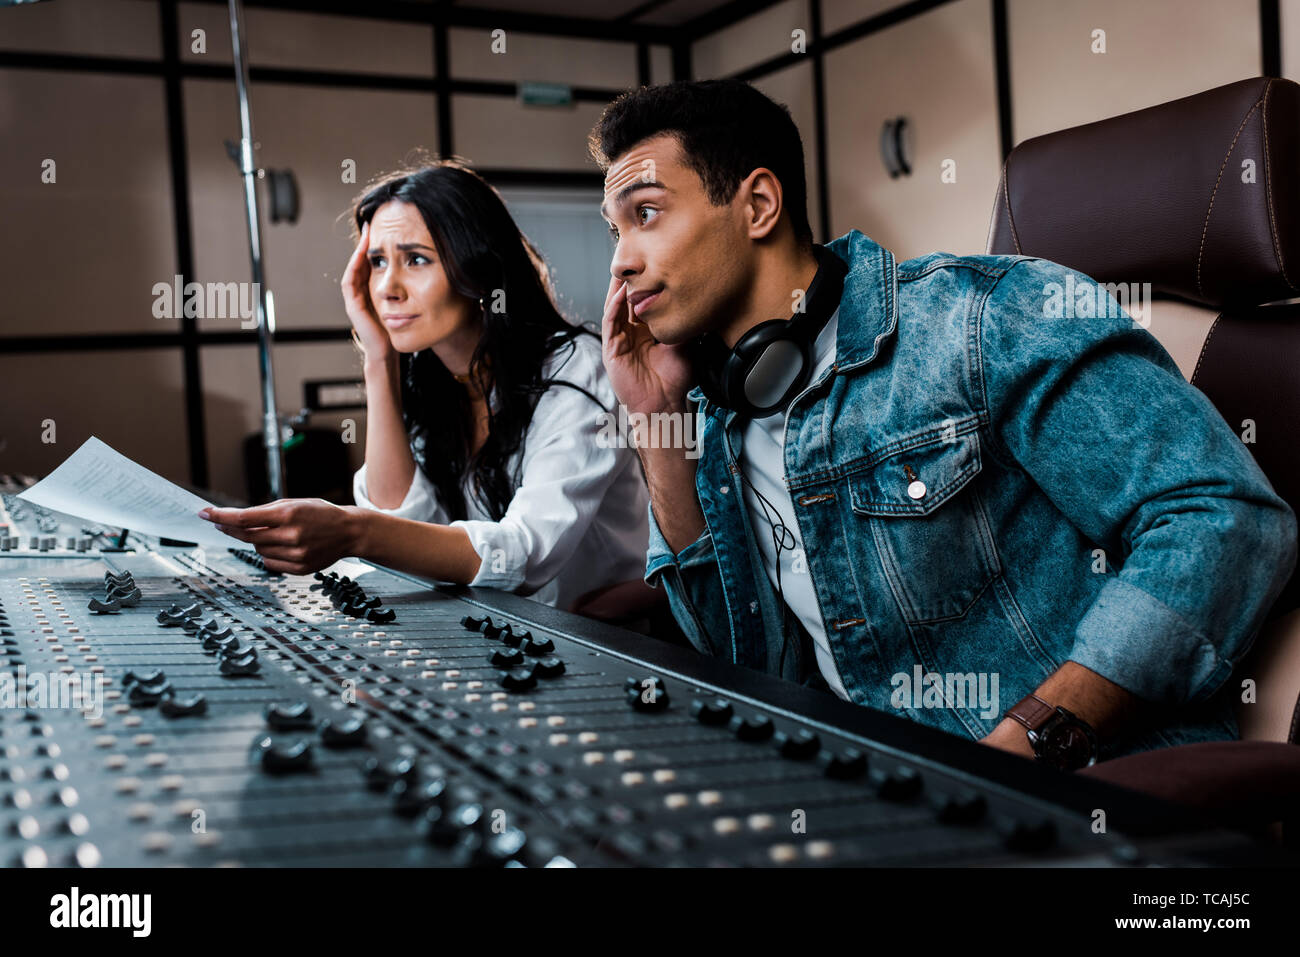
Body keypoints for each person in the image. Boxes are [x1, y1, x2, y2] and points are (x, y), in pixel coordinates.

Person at [590, 79, 1297, 763]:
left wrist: (1032, 738)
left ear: (759, 205)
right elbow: (742, 661)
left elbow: (1224, 521)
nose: (621, 261)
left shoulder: (985, 320)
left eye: (646, 213)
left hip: (1069, 791)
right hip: (868, 787)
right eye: (614, 228)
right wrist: (657, 417)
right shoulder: (713, 408)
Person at [199, 161, 649, 611]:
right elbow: (410, 531)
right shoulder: (429, 375)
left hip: (603, 640)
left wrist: (355, 531)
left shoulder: (578, 368)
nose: (388, 288)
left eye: (415, 259)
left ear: (479, 269)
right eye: (377, 262)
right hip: (504, 628)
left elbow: (524, 554)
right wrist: (378, 359)